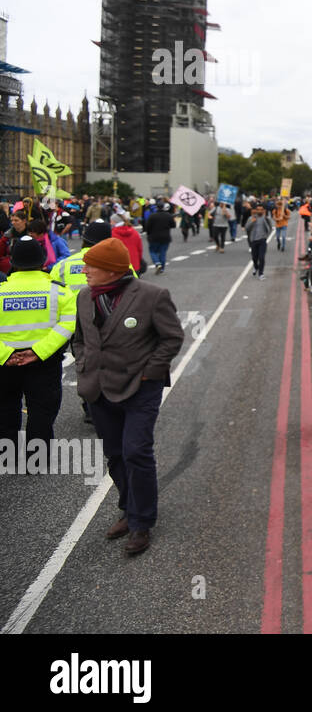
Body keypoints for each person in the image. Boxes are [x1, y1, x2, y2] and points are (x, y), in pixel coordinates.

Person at [72, 238, 184, 556]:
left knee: (136, 451)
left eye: (90, 266)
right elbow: (79, 339)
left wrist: (151, 371)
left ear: (110, 271)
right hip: (98, 388)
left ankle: (141, 523)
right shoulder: (84, 297)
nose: (84, 270)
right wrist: (83, 364)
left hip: (139, 388)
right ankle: (128, 508)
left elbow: (172, 336)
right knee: (116, 454)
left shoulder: (152, 296)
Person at [0, 236, 78, 449]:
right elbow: (68, 324)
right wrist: (38, 351)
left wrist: (5, 354)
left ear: (13, 262)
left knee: (5, 408)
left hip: (5, 364)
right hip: (44, 362)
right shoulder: (59, 291)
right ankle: (36, 460)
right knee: (42, 411)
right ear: (43, 261)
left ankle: (8, 454)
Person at [51, 219, 118, 424]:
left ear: (84, 240)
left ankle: (89, 404)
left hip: (73, 325)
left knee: (83, 362)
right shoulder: (115, 264)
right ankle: (106, 401)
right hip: (107, 323)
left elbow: (52, 293)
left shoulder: (63, 266)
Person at [143, 202, 175, 274]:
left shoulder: (152, 216)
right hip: (165, 236)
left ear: (156, 207)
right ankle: (162, 269)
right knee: (163, 253)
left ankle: (157, 263)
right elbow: (173, 225)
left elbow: (147, 227)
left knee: (152, 251)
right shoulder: (168, 215)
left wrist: (148, 234)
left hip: (154, 236)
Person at [245, 204, 273, 280]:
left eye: (261, 209)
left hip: (262, 241)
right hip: (253, 241)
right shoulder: (251, 218)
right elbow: (247, 228)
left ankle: (261, 273)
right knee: (254, 257)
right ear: (256, 210)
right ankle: (256, 267)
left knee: (261, 258)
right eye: (258, 209)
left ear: (263, 211)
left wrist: (266, 236)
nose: (259, 211)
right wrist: (252, 222)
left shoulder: (266, 218)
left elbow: (270, 228)